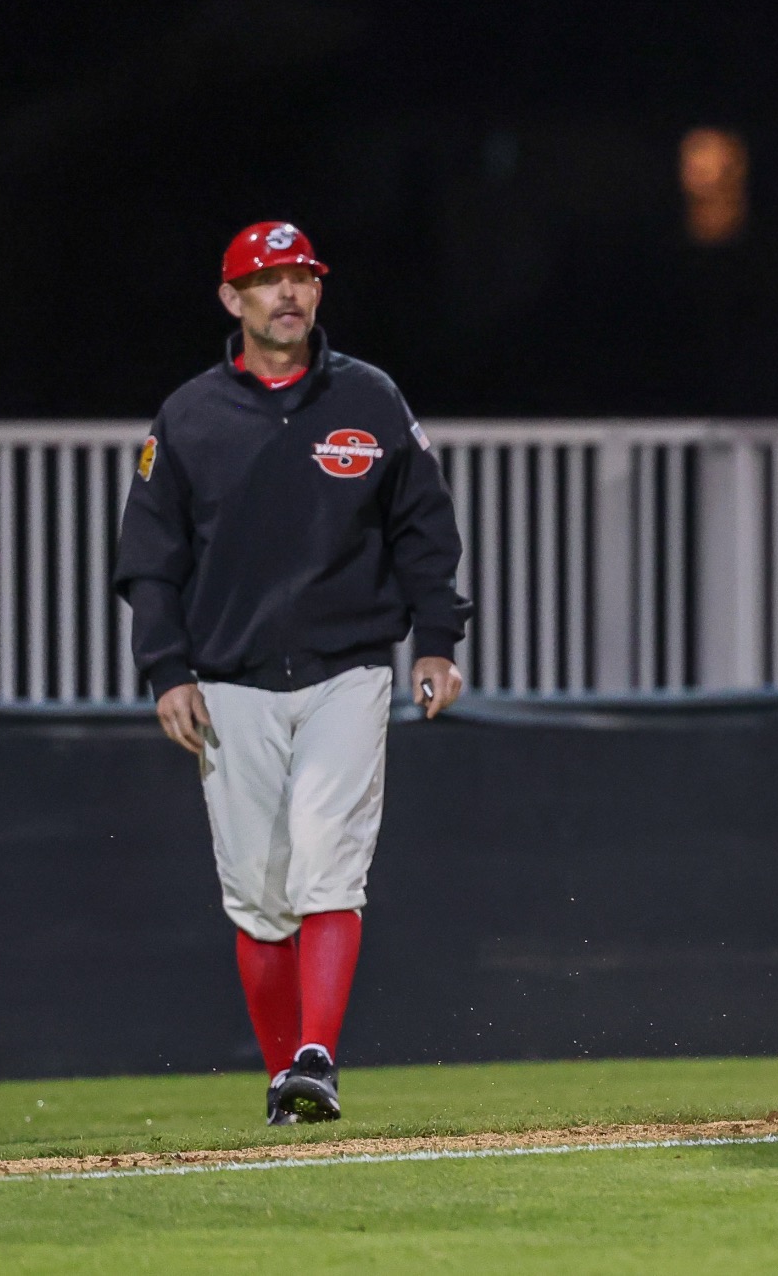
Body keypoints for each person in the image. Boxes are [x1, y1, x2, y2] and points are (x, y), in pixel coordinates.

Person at [114, 221, 471, 1126]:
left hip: (347, 669)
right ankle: (288, 1080)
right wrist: (166, 671)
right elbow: (149, 563)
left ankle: (316, 1054)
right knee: (259, 893)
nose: (289, 295)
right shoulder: (189, 417)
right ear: (231, 300)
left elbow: (423, 529)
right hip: (228, 681)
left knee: (326, 860)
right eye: (267, 280)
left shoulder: (371, 398)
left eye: (302, 278)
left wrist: (437, 639)